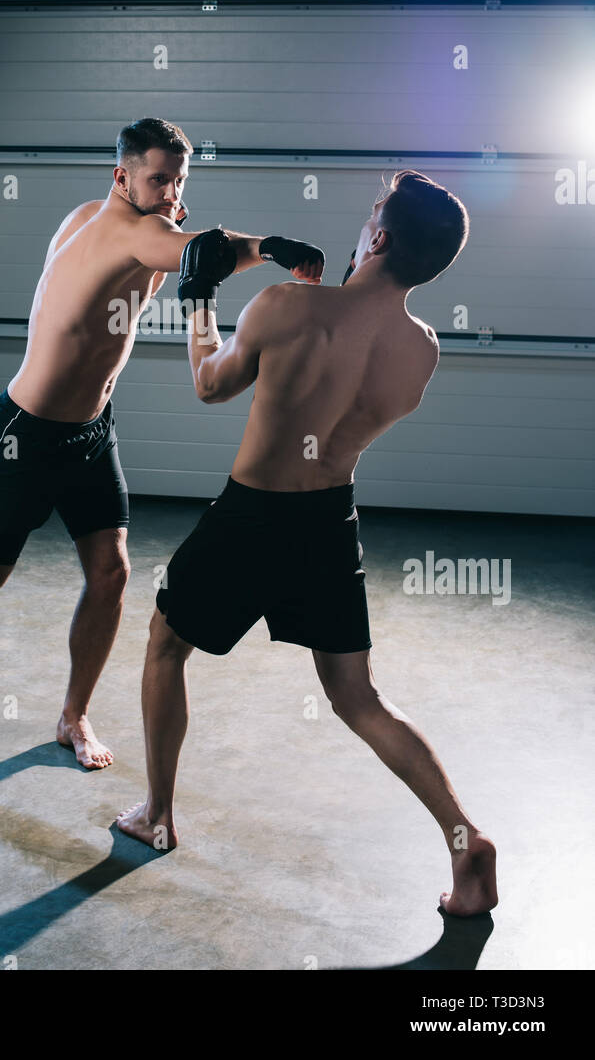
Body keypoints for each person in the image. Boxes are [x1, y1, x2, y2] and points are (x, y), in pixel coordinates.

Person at [0, 117, 322, 767]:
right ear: (122, 175)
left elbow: (185, 245)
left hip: (89, 432)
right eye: (157, 178)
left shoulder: (101, 216)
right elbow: (202, 253)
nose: (168, 191)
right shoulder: (128, 231)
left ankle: (73, 717)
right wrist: (271, 245)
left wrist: (196, 230)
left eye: (178, 180)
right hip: (26, 434)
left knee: (110, 574)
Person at [117, 170, 499, 916]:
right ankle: (464, 838)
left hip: (250, 516)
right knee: (358, 698)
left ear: (379, 237)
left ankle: (157, 815)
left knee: (166, 643)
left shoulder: (285, 304)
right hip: (329, 524)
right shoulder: (421, 350)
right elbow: (338, 372)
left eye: (370, 215)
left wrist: (198, 304)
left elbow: (209, 384)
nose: (363, 225)